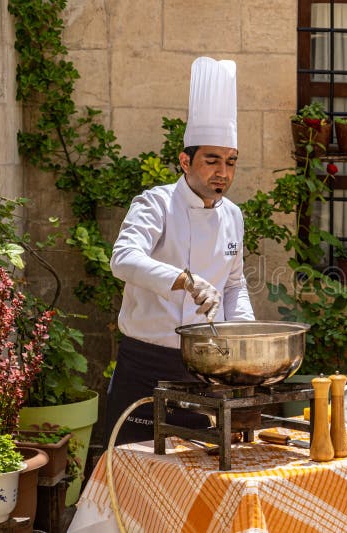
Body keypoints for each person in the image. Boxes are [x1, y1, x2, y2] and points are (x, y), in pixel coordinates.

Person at [104, 57, 254, 446]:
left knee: (199, 471)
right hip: (147, 363)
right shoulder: (155, 203)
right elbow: (123, 258)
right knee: (129, 470)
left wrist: (246, 338)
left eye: (231, 162)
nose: (222, 172)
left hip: (206, 367)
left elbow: (235, 284)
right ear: (185, 161)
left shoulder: (233, 216)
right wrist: (184, 280)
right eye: (212, 160)